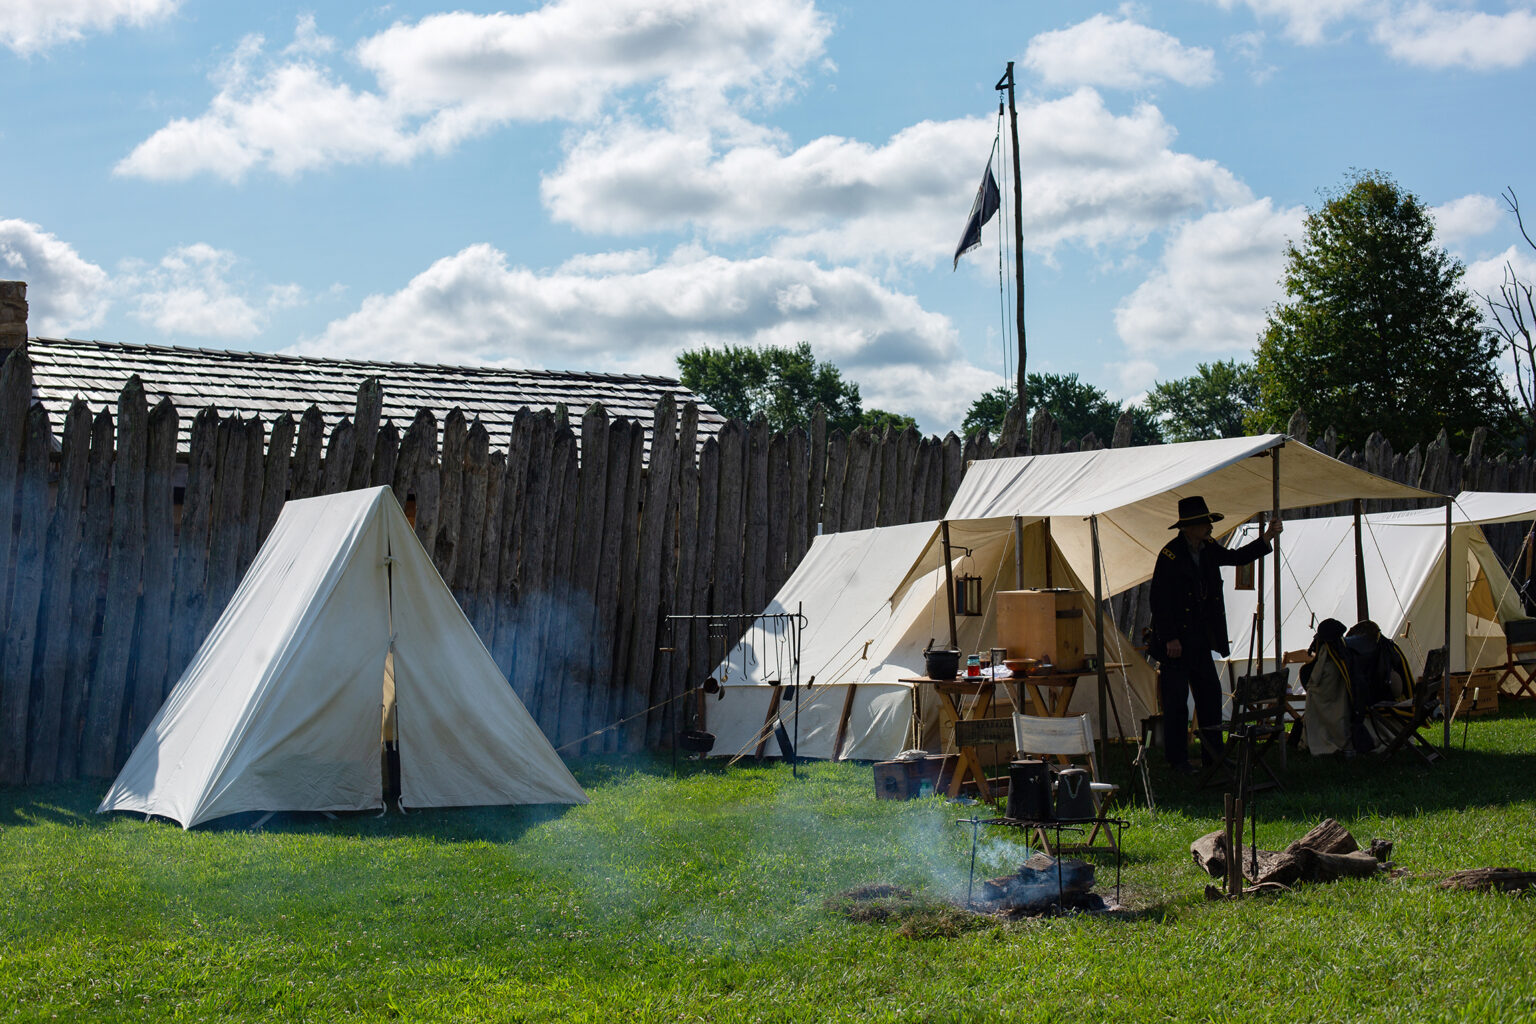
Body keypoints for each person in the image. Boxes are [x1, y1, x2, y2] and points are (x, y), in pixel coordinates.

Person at [1149, 496, 1280, 774]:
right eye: (1203, 523)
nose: (1209, 527)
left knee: (1209, 698)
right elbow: (1159, 601)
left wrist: (1266, 538)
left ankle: (1213, 755)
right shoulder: (1170, 555)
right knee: (1177, 704)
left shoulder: (1208, 548)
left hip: (1199, 640)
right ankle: (1178, 761)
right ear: (1188, 527)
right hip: (1175, 645)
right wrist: (1170, 637)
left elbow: (1236, 558)